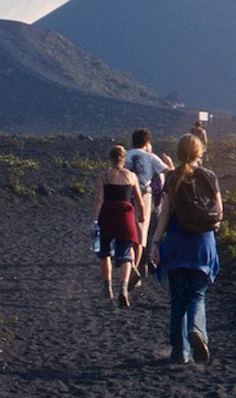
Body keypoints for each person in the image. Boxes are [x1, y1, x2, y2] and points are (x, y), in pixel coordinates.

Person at [148, 133, 222, 364]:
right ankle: (197, 331)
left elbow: (165, 214)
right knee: (197, 296)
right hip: (203, 244)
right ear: (200, 152)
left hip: (177, 244)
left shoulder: (172, 177)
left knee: (178, 299)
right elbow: (219, 211)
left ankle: (180, 351)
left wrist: (155, 243)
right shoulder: (209, 176)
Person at [92, 144, 144, 307]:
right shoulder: (131, 176)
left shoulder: (104, 176)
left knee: (105, 252)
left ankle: (107, 287)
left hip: (108, 214)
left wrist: (95, 219)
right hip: (125, 215)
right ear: (124, 158)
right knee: (126, 253)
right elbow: (139, 200)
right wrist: (141, 214)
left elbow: (99, 199)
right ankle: (123, 288)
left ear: (110, 158)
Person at [123, 128, 174, 291]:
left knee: (127, 233)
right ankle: (137, 267)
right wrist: (171, 164)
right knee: (142, 233)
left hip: (124, 195)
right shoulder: (151, 157)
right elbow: (170, 173)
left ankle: (128, 264)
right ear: (146, 142)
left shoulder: (125, 155)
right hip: (143, 195)